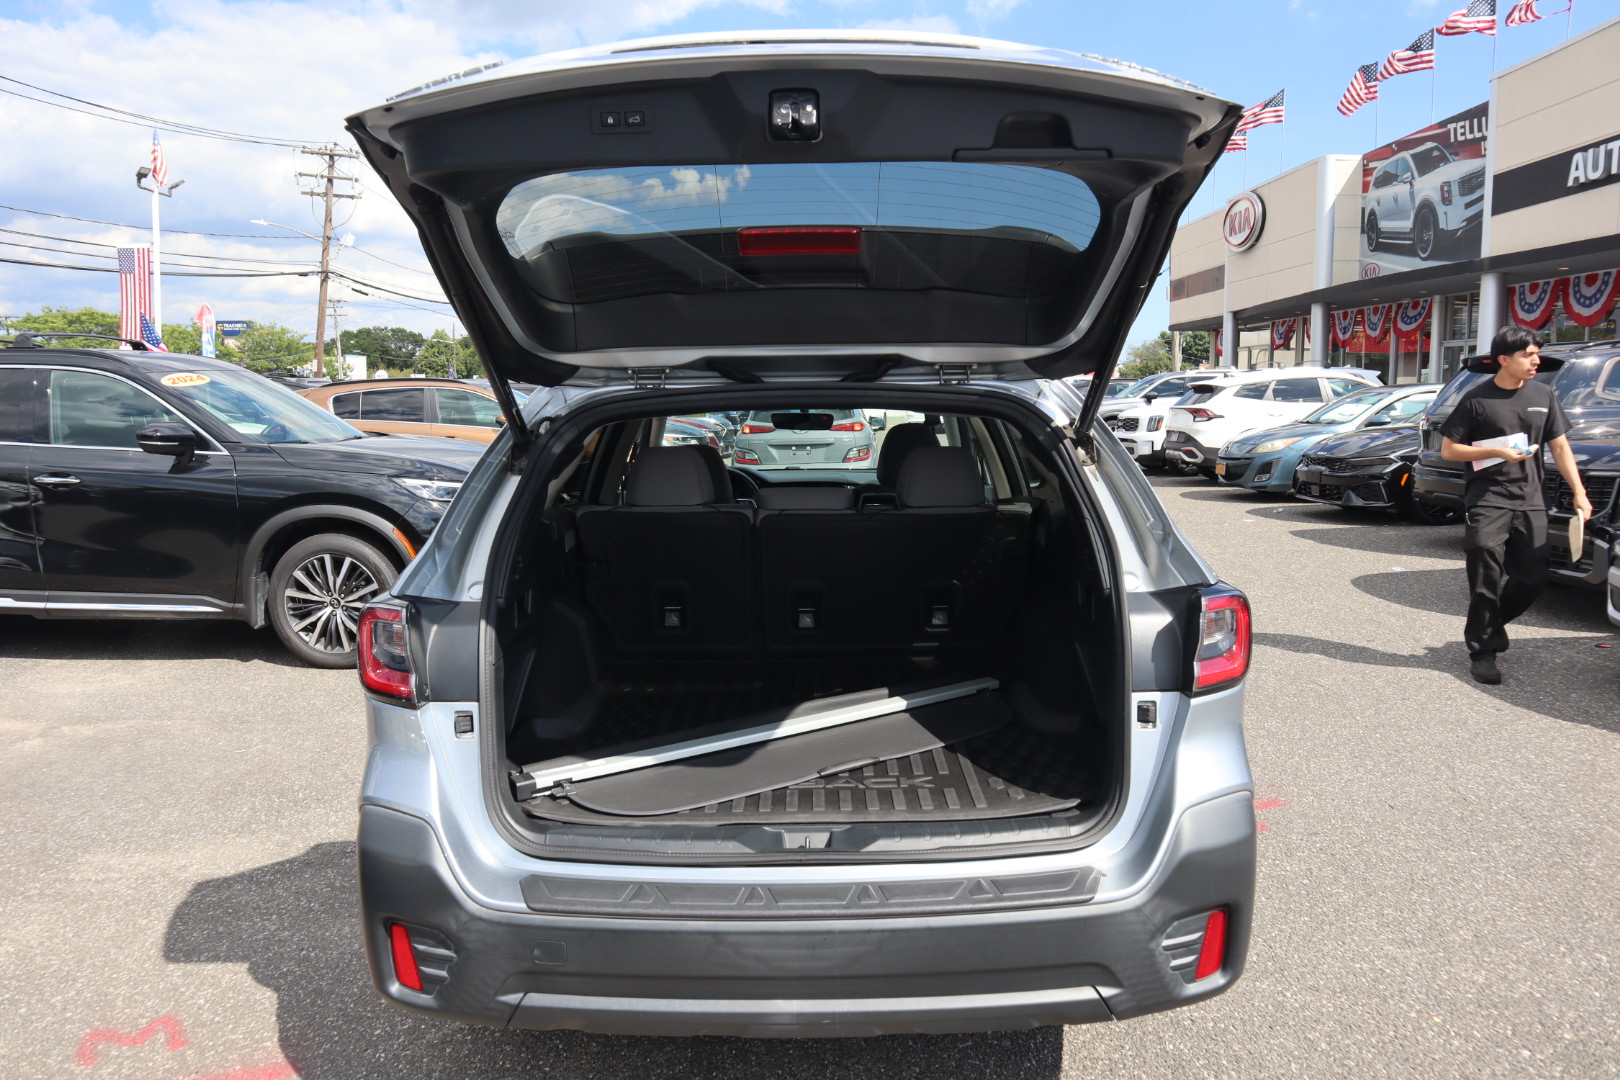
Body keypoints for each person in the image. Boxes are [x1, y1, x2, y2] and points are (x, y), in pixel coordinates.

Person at [1439, 326, 1591, 685]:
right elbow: (1449, 450)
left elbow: (1561, 448)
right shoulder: (1476, 399)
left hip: (1532, 498)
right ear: (1504, 360)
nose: (1536, 360)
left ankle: (1486, 626)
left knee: (1533, 578)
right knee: (1484, 566)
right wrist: (1496, 451)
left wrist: (1580, 493)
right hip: (1488, 497)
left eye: (1537, 353)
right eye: (1527, 355)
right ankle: (1484, 649)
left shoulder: (1544, 394)